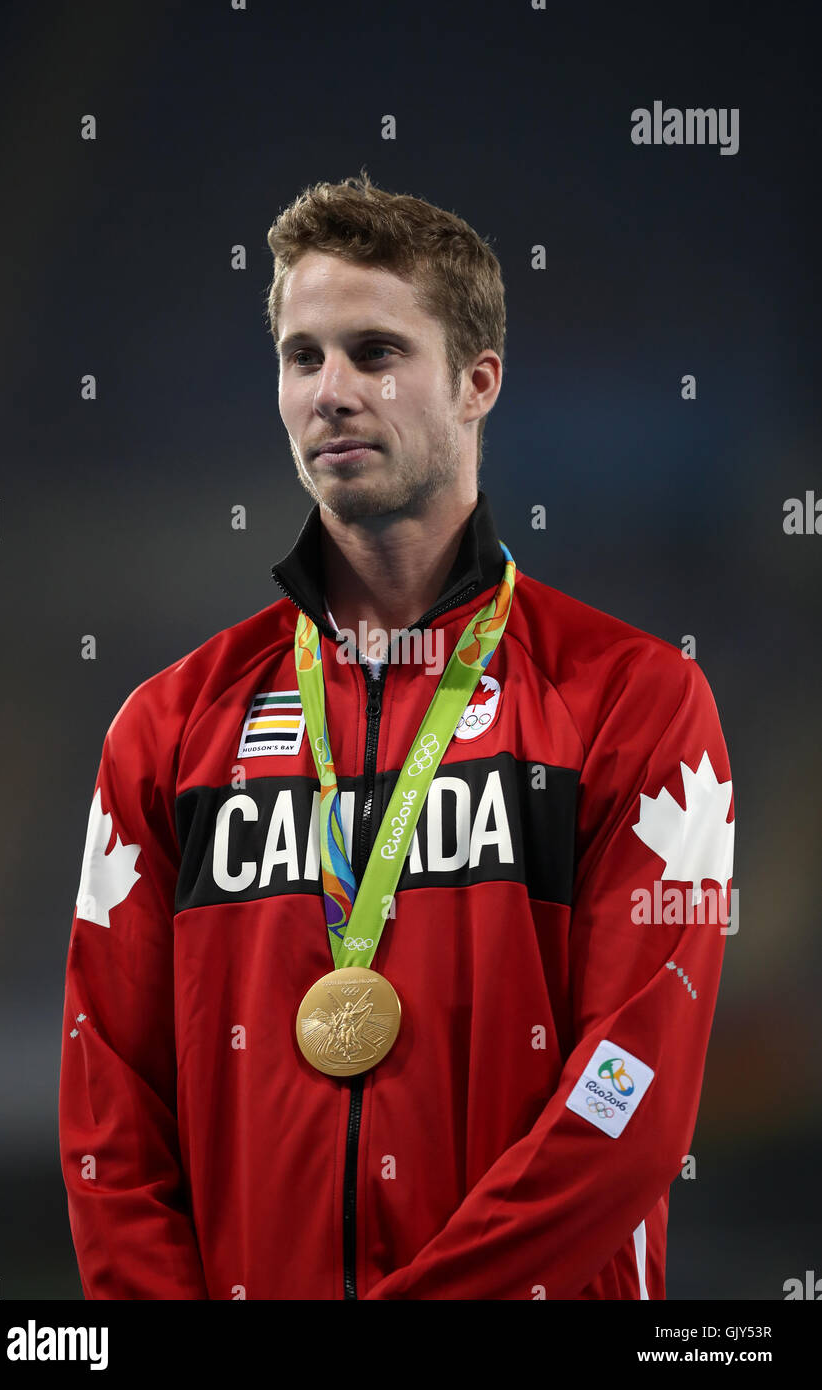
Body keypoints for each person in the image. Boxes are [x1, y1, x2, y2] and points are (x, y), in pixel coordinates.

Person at [58, 170, 735, 1300]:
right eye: (301, 355)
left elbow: (634, 1093)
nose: (331, 392)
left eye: (375, 353)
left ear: (478, 382)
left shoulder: (634, 700)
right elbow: (109, 1101)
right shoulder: (169, 726)